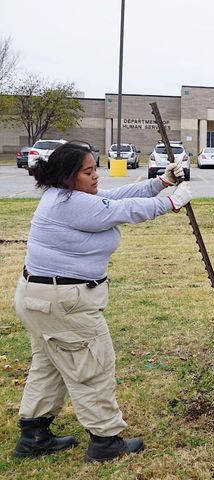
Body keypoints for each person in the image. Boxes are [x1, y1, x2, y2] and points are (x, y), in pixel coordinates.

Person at [12, 142, 192, 461]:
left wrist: (159, 183)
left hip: (41, 300)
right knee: (93, 366)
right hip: (64, 304)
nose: (97, 176)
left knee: (50, 366)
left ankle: (34, 435)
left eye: (96, 168)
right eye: (88, 171)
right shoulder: (71, 204)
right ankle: (105, 442)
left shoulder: (65, 196)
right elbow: (121, 210)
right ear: (68, 176)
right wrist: (170, 203)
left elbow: (111, 199)